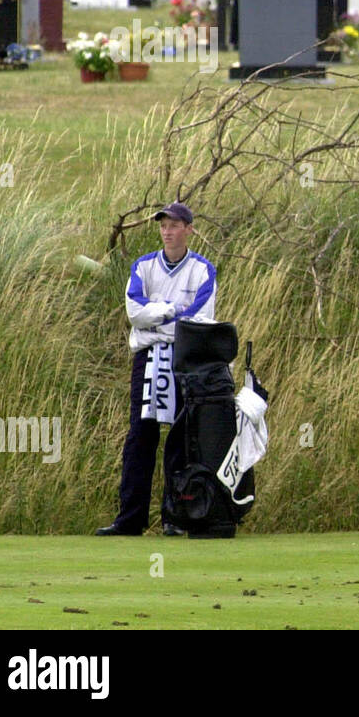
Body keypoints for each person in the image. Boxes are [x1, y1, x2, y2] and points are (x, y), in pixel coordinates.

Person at [96, 202, 217, 537]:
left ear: (189, 229)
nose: (167, 231)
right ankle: (130, 519)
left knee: (180, 440)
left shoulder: (203, 270)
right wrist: (171, 311)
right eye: (164, 225)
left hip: (185, 361)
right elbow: (135, 312)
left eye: (175, 225)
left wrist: (157, 318)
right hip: (147, 358)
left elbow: (198, 320)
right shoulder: (144, 266)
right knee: (140, 437)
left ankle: (175, 518)